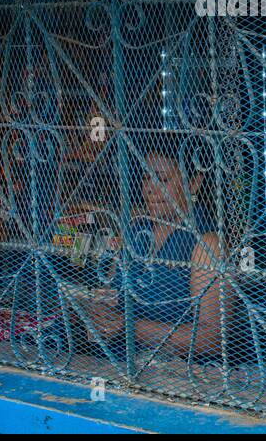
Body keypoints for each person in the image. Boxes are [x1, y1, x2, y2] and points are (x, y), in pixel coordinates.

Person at [85, 152, 228, 357]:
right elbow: (110, 291)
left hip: (177, 375)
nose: (150, 189)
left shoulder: (207, 244)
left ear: (194, 183)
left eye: (162, 179)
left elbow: (213, 338)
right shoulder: (135, 229)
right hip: (116, 363)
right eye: (146, 178)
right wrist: (97, 311)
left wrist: (132, 328)